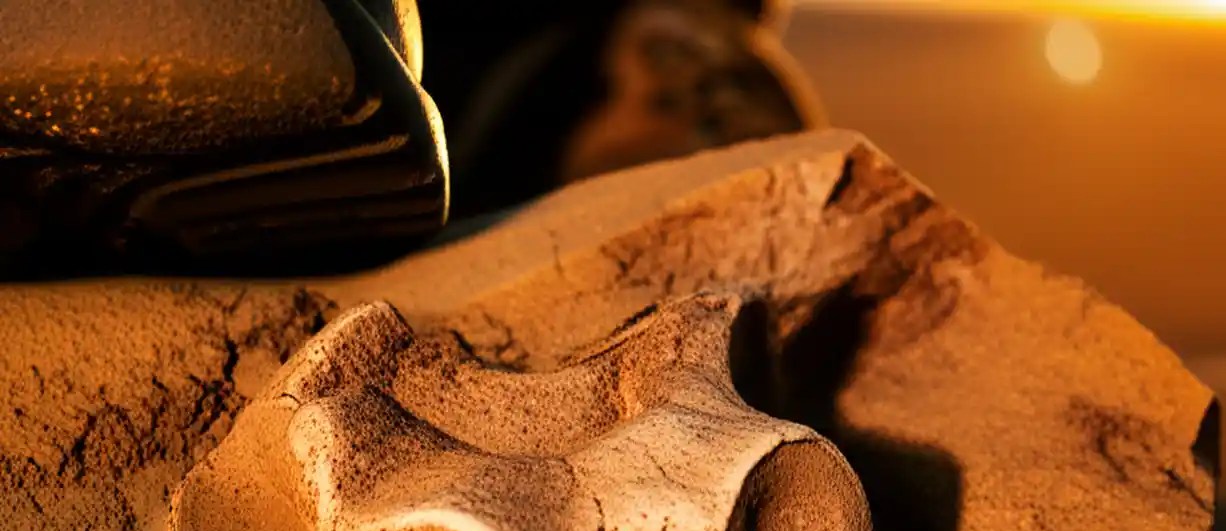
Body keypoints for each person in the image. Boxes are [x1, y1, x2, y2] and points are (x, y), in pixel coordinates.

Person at [0, 0, 822, 278]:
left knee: (369, 122)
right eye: (721, 88)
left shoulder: (449, 169)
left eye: (706, 124)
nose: (683, 88)